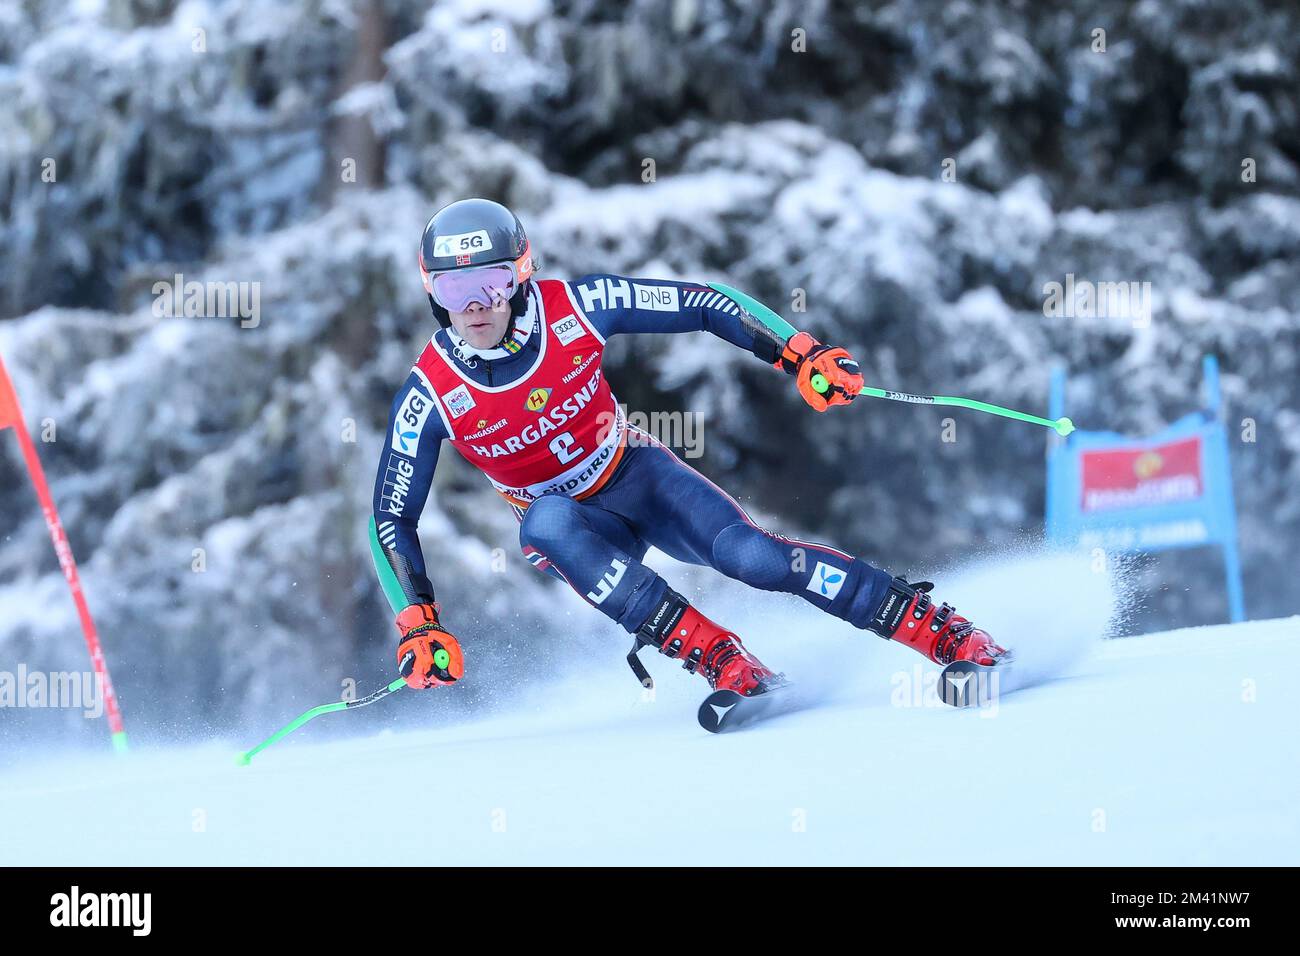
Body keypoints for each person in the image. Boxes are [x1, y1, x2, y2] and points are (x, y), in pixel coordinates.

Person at [370, 198, 1006, 695]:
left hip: (636, 475)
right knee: (546, 521)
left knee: (756, 560)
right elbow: (390, 517)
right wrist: (417, 618)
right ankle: (722, 658)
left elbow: (704, 302)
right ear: (432, 293)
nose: (474, 306)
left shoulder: (579, 306)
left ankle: (939, 631)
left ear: (520, 278)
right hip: (581, 528)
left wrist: (795, 352)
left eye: (491, 285)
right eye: (454, 291)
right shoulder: (430, 394)